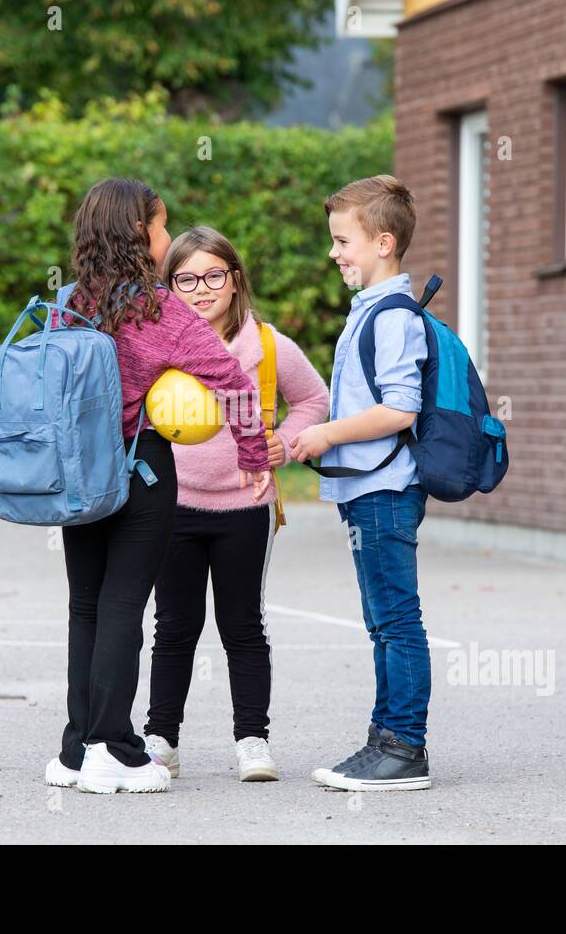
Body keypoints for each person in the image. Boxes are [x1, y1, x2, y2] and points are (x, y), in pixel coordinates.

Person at [43, 179, 272, 795]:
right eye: (162, 226)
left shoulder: (68, 303)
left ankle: (74, 748)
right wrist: (254, 453)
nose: (168, 237)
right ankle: (115, 747)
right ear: (136, 235)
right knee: (123, 604)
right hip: (140, 470)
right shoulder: (157, 309)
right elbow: (233, 380)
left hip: (76, 472)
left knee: (86, 604)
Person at [141, 226, 329, 783]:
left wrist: (285, 444)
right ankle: (161, 740)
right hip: (173, 507)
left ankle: (252, 740)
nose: (201, 289)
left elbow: (314, 398)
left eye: (213, 275)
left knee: (242, 625)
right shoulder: (157, 343)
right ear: (169, 285)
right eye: (186, 278)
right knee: (174, 627)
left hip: (246, 508)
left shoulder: (266, 346)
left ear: (234, 279)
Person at [290, 175, 433, 791]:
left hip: (385, 490)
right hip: (369, 490)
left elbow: (400, 410)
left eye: (342, 241)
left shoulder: (393, 318)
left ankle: (404, 748)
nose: (334, 254)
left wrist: (325, 435)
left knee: (397, 620)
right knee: (382, 620)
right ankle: (386, 739)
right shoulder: (371, 311)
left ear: (382, 242)